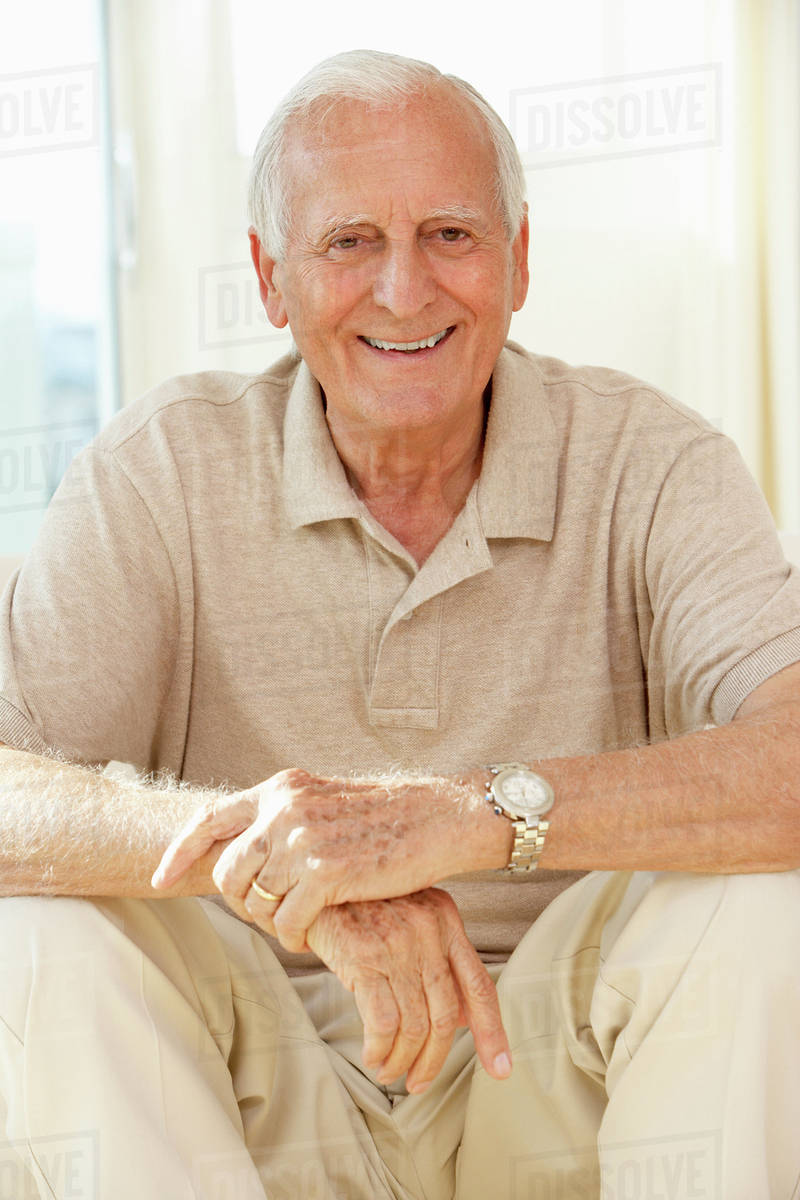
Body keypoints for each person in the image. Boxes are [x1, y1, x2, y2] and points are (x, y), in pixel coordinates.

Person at [0, 47, 799, 1200]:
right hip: (258, 1084)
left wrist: (468, 819)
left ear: (518, 259)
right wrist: (287, 861)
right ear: (271, 282)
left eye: (451, 235)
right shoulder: (161, 467)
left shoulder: (652, 460)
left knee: (765, 892)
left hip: (556, 1072)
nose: (404, 290)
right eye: (348, 243)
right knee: (32, 935)